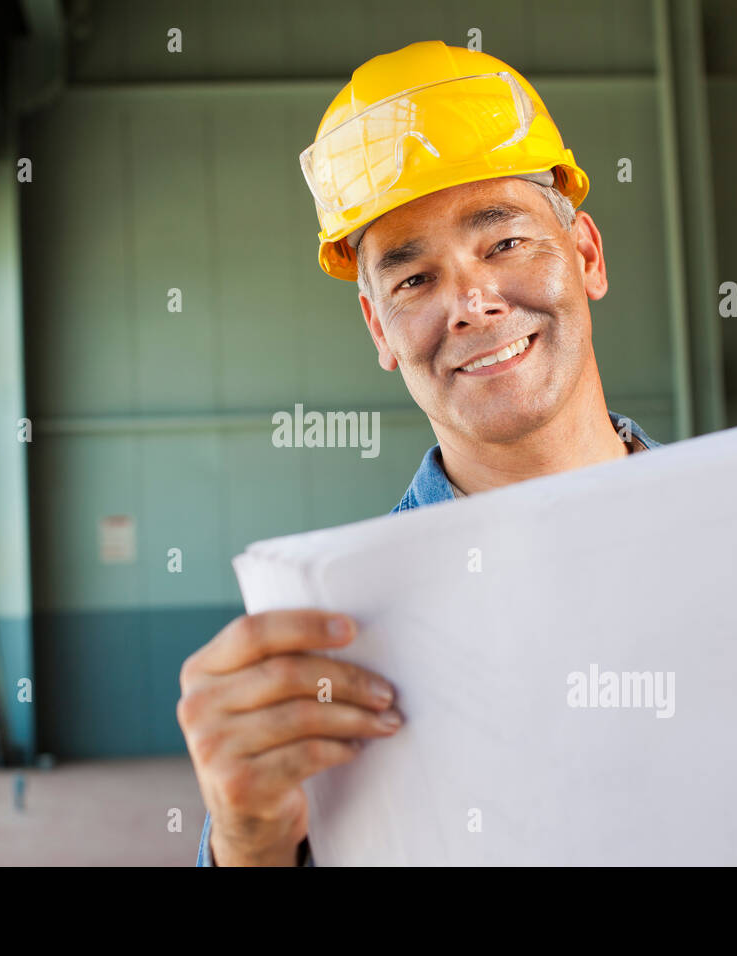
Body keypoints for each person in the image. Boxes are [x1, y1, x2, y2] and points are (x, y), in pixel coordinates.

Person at [180, 40, 661, 866]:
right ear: (380, 330)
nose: (471, 303)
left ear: (585, 254)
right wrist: (249, 843)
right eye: (413, 280)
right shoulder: (342, 647)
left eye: (504, 242)